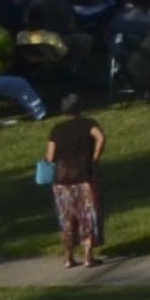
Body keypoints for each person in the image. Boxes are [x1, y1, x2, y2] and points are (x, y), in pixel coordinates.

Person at [41, 103, 106, 267]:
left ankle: (68, 257)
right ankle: (87, 257)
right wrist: (96, 156)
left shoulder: (57, 129)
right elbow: (100, 137)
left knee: (66, 218)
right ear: (80, 109)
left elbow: (49, 156)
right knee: (87, 215)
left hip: (61, 179)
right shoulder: (88, 123)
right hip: (83, 175)